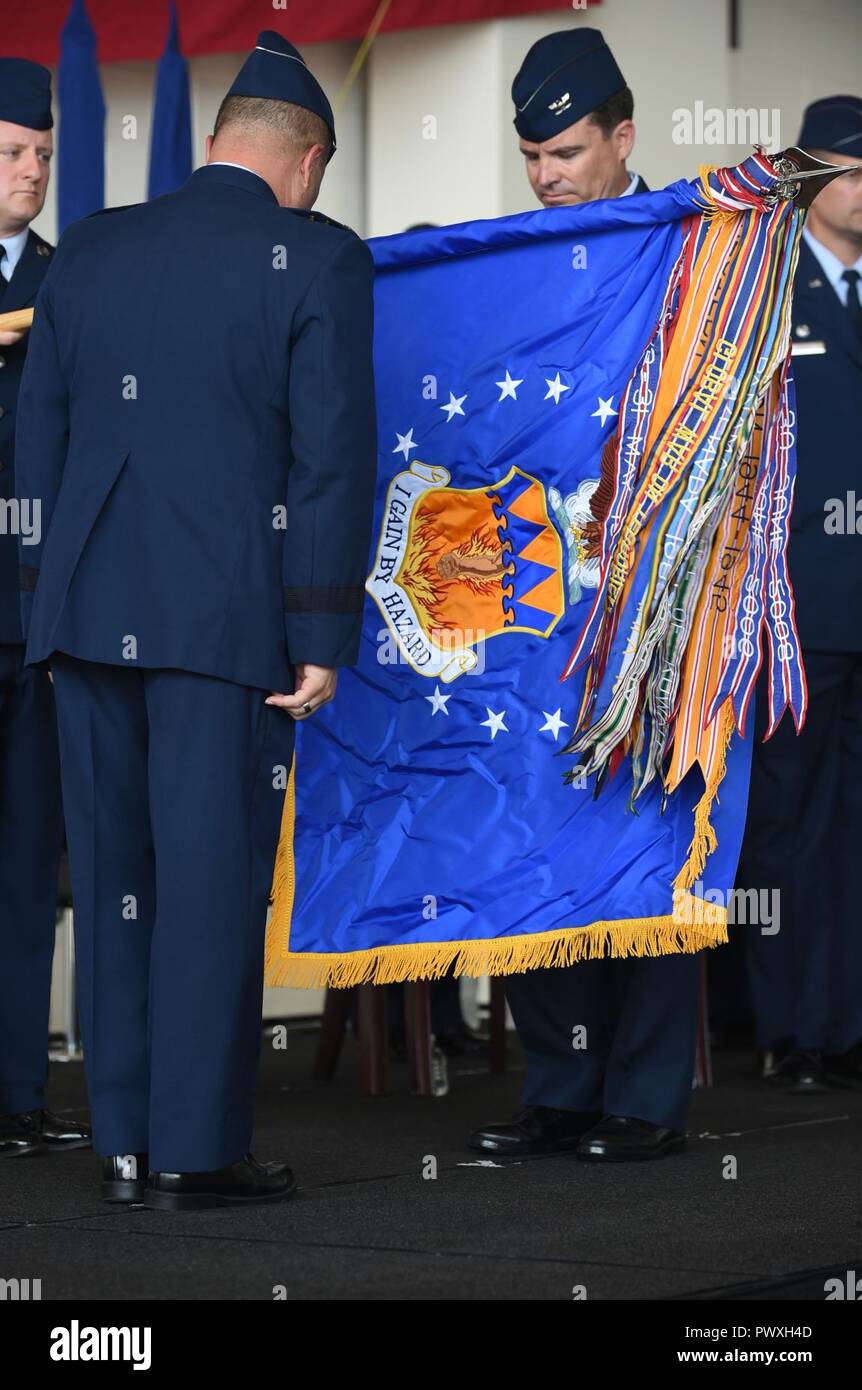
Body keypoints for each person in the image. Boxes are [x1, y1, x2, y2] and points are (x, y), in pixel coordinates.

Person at [15, 30, 377, 1209]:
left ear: (217, 139)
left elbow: (44, 450)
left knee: (115, 882)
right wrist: (320, 631)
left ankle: (120, 1142)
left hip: (83, 623)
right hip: (225, 629)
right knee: (212, 889)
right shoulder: (318, 260)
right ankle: (194, 1152)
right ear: (305, 161)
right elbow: (329, 464)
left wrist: (44, 613)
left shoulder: (93, 251)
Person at [471, 29, 700, 1163]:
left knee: (650, 833)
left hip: (662, 593)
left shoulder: (699, 257)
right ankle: (559, 1085)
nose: (547, 175)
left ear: (623, 135)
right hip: (537, 594)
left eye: (565, 150)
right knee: (536, 833)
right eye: (530, 157)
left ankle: (643, 1097)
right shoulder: (513, 259)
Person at [735, 96, 862, 1093]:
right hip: (798, 601)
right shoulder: (762, 294)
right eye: (845, 168)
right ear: (808, 179)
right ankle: (787, 1025)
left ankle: (847, 1021)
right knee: (790, 820)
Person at [0, 57, 89, 1158]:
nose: (30, 173)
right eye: (13, 154)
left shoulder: (73, 283)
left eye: (41, 157)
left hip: (39, 622)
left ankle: (19, 1089)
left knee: (31, 873)